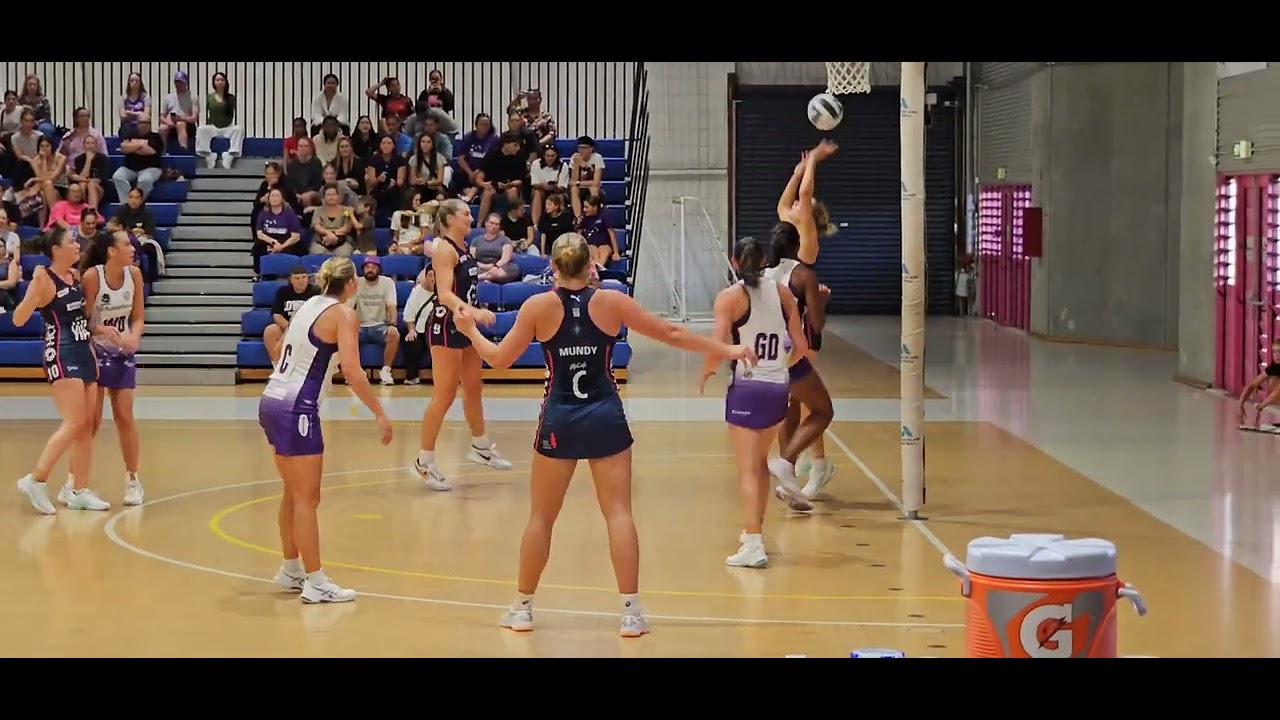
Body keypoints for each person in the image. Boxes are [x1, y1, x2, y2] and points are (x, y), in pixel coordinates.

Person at [453, 233, 756, 637]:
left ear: (554, 269)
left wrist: (470, 330)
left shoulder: (538, 306)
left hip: (560, 417)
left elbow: (499, 360)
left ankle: (522, 607)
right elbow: (672, 334)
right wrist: (730, 351)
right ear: (590, 266)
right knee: (618, 513)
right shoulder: (612, 300)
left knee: (541, 518)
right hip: (605, 414)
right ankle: (631, 613)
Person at [259, 257, 393, 604]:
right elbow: (352, 369)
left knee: (292, 491)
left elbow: (277, 347)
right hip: (296, 406)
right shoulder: (344, 314)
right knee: (307, 498)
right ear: (351, 286)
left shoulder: (307, 306)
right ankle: (316, 581)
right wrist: (379, 411)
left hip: (272, 397)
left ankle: (291, 569)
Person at [701, 237, 809, 568]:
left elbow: (718, 347)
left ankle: (754, 543)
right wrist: (779, 368)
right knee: (760, 464)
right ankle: (753, 533)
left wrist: (705, 374)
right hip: (779, 387)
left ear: (735, 262)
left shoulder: (729, 298)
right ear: (764, 261)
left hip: (748, 387)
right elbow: (801, 345)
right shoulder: (783, 293)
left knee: (748, 469)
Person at [413, 199, 511, 491]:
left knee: (473, 387)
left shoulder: (464, 247)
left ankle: (481, 446)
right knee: (443, 395)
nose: (471, 217)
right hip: (446, 325)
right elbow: (443, 294)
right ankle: (424, 460)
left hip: (463, 323)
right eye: (466, 213)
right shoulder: (444, 249)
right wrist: (476, 312)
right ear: (450, 218)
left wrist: (473, 311)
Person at [13, 229, 107, 514]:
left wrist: (95, 342)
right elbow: (18, 319)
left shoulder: (74, 277)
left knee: (87, 427)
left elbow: (81, 318)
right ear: (56, 249)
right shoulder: (45, 279)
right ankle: (36, 479)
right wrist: (33, 290)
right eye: (71, 242)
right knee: (74, 422)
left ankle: (79, 490)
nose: (77, 245)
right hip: (62, 353)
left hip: (83, 350)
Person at [770, 141, 839, 497]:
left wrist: (813, 160)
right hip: (789, 322)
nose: (797, 202)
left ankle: (812, 466)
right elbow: (785, 200)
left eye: (803, 203)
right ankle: (802, 467)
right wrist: (796, 173)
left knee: (807, 400)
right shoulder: (789, 221)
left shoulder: (805, 235)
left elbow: (807, 194)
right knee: (795, 400)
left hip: (803, 326)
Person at [59, 230, 147, 508]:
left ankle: (133, 480)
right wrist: (99, 329)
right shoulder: (92, 277)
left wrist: (134, 336)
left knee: (124, 416)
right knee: (90, 422)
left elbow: (139, 318)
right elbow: (78, 321)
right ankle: (72, 483)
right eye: (126, 244)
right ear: (111, 251)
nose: (132, 248)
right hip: (93, 352)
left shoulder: (134, 275)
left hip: (121, 354)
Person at [764, 223, 834, 503]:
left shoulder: (763, 274)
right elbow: (816, 325)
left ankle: (789, 484)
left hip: (765, 355)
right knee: (822, 411)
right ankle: (786, 461)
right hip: (789, 353)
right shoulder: (804, 275)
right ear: (796, 245)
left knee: (790, 409)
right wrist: (822, 300)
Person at [265, 265, 320, 366]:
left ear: (308, 278)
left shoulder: (316, 292)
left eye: (304, 277)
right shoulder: (283, 292)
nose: (301, 281)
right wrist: (289, 327)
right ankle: (278, 366)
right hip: (288, 328)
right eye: (297, 278)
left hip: (308, 328)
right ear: (291, 280)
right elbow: (277, 315)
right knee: (270, 330)